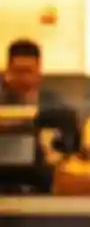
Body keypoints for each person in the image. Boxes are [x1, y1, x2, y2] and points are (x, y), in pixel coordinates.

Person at [0, 39, 80, 194]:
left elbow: (72, 154)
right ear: (7, 72)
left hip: (43, 192)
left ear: (39, 73)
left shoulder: (58, 111)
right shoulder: (3, 109)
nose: (23, 78)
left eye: (28, 71)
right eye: (17, 71)